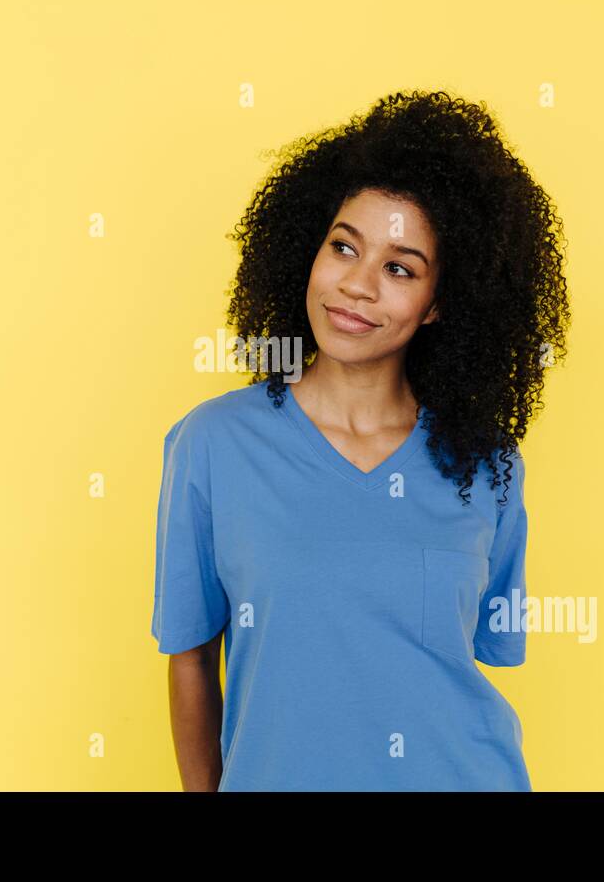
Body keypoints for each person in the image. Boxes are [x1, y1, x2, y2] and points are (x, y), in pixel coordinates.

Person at [151, 89, 571, 791]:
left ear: (440, 303)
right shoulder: (213, 446)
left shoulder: (490, 466)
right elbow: (189, 658)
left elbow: (460, 662)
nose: (356, 286)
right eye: (344, 246)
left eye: (399, 268)